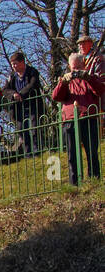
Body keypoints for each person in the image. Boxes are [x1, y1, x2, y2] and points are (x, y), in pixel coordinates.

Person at [51, 53, 105, 184]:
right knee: (72, 154)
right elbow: (56, 96)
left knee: (92, 151)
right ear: (69, 66)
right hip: (70, 119)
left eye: (78, 67)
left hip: (88, 117)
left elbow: (100, 90)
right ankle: (74, 182)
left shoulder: (91, 78)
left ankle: (94, 179)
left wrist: (87, 78)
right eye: (73, 68)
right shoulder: (66, 80)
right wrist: (64, 82)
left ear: (83, 65)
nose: (75, 71)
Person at [2, 52, 44, 156]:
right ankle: (28, 153)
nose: (14, 66)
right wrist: (14, 94)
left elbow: (33, 84)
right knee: (22, 130)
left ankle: (37, 151)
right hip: (18, 107)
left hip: (32, 104)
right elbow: (5, 89)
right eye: (12, 64)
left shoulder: (32, 72)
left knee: (35, 128)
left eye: (15, 64)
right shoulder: (12, 76)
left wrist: (21, 94)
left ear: (22, 62)